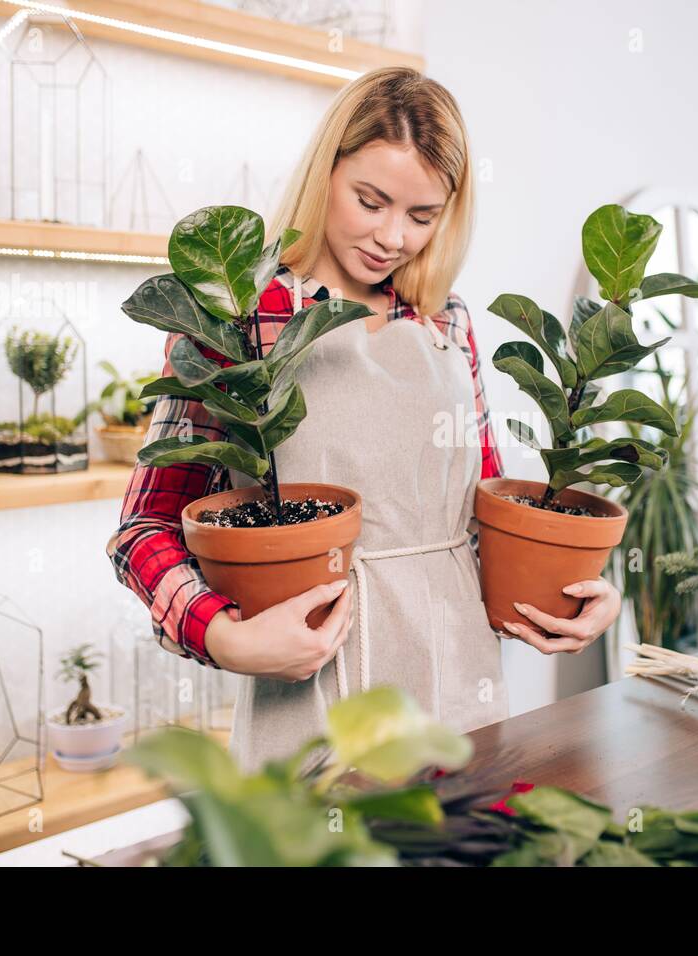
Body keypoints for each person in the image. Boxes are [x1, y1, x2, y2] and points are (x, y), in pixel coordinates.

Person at [107, 66, 622, 768]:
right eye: (370, 201)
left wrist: (575, 593)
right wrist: (225, 637)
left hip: (460, 696)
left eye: (422, 215)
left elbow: (487, 515)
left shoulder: (447, 323)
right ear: (327, 172)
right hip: (319, 695)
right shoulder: (238, 318)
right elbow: (145, 529)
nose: (392, 238)